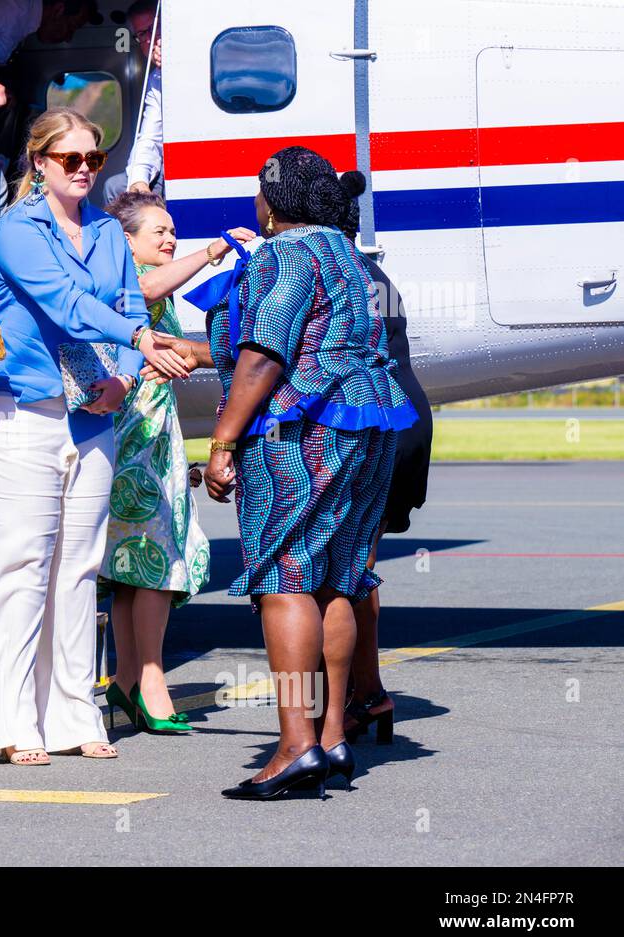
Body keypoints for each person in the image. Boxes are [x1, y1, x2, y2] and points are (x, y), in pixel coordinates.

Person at [167, 146, 418, 799]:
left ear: (272, 202)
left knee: (284, 583)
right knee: (339, 580)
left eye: (259, 191)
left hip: (301, 435)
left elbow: (262, 357)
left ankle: (294, 744)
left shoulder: (283, 254)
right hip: (374, 429)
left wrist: (222, 442)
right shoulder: (347, 255)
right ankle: (332, 732)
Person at [0, 107, 192, 766]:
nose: (86, 170)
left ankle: (72, 712)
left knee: (78, 570)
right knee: (21, 568)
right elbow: (65, 303)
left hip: (93, 415)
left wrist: (122, 373)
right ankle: (13, 723)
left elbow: (124, 302)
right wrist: (141, 340)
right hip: (21, 410)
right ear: (40, 163)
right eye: (71, 160)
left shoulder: (106, 232)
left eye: (94, 158)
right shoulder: (17, 231)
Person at [99, 190, 254, 733]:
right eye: (157, 232)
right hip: (134, 429)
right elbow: (147, 288)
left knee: (133, 562)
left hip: (149, 427)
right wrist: (214, 250)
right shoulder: (129, 279)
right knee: (155, 556)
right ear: (127, 241)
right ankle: (151, 680)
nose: (169, 239)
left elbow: (179, 338)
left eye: (171, 231)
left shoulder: (145, 284)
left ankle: (126, 678)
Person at [342, 203, 434, 743]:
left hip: (377, 426)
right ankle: (367, 692)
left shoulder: (333, 273)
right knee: (358, 568)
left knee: (344, 573)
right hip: (402, 418)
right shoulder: (370, 272)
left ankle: (357, 699)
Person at [0, 0, 99, 109]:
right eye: (71, 27)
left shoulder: (26, 21)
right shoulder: (14, 7)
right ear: (58, 10)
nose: (68, 38)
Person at [104, 0, 164, 204]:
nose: (150, 39)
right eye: (142, 35)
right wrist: (139, 182)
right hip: (174, 163)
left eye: (154, 29)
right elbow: (150, 136)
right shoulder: (156, 78)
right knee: (117, 187)